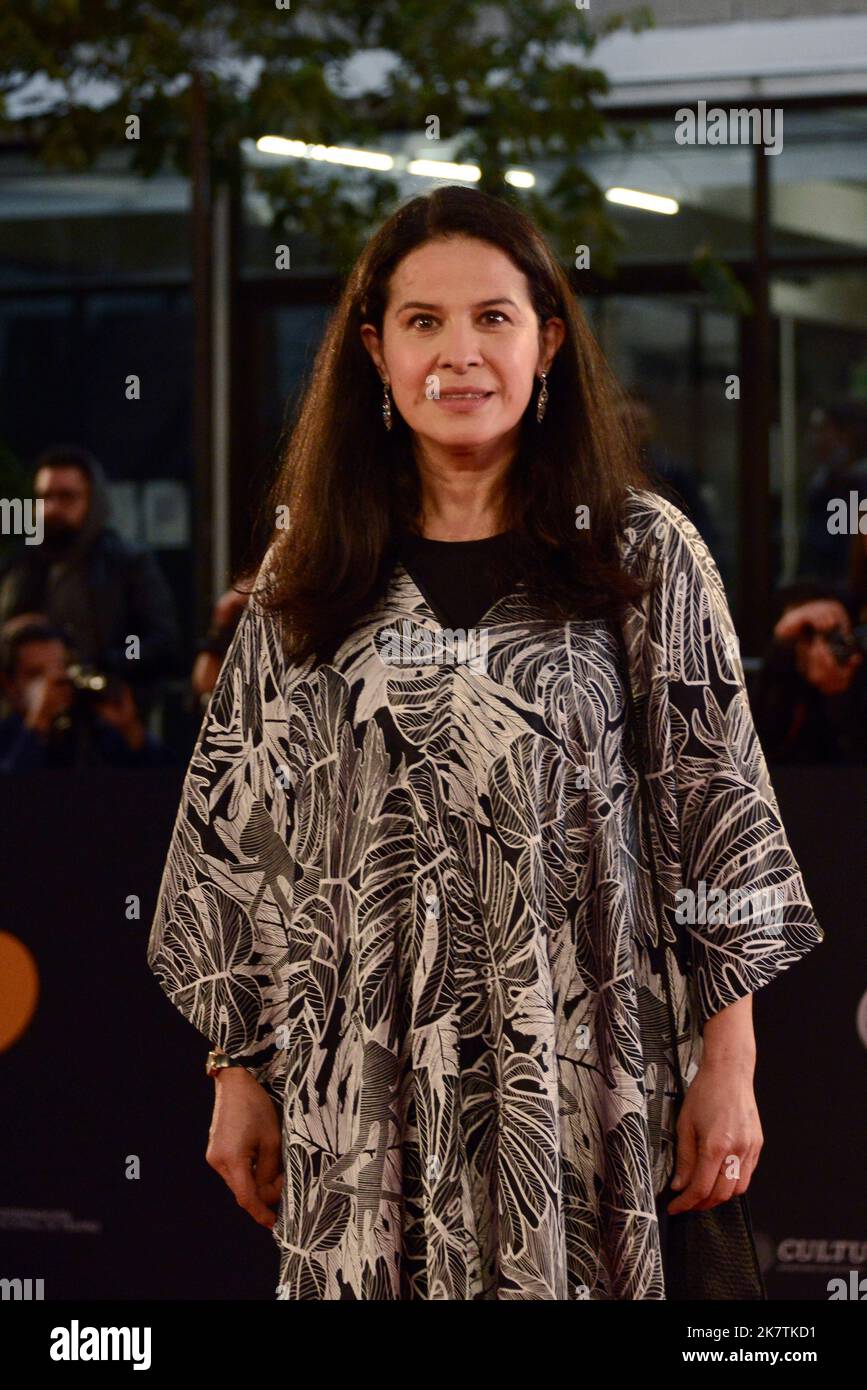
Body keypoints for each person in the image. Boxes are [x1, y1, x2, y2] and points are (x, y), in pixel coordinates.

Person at [147, 186, 824, 1301]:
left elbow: (717, 819)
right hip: (358, 1098)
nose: (459, 354)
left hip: (592, 1085)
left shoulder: (644, 556)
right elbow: (243, 844)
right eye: (422, 322)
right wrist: (236, 1068)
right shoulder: (305, 580)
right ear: (374, 350)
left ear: (547, 340)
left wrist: (731, 1064)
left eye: (493, 319)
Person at [0, 444, 182, 719]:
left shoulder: (128, 563)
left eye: (67, 497)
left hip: (111, 715)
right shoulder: (21, 566)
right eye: (44, 497)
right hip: (31, 720)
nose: (52, 509)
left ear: (92, 501)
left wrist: (105, 664)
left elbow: (162, 642)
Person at [0, 618, 174, 770]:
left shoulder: (91, 729)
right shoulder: (7, 737)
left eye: (62, 669)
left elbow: (168, 783)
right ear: (9, 684)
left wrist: (130, 729)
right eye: (36, 674)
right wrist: (38, 724)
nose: (54, 683)